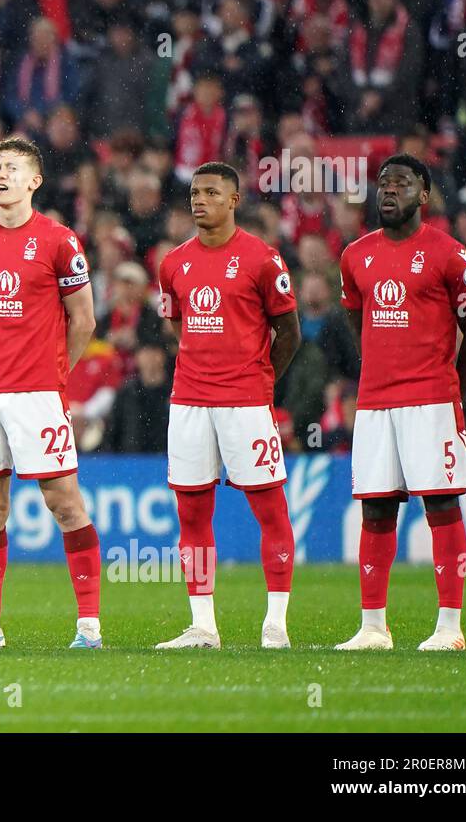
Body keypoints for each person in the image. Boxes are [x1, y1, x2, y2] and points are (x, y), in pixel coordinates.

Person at [0, 136, 103, 649]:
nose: (0, 174)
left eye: (12, 167)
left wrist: (55, 371)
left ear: (34, 181)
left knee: (64, 502)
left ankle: (89, 627)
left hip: (37, 393)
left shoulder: (59, 240)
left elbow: (83, 318)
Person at [336, 155, 466, 651]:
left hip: (431, 400)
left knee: (441, 504)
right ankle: (373, 627)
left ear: (423, 196)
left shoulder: (449, 254)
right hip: (375, 403)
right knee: (376, 510)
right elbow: (361, 326)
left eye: (401, 183)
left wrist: (450, 389)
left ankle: (449, 627)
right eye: (383, 183)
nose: (389, 190)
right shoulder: (355, 256)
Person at [154, 162, 301, 650]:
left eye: (211, 192)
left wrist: (258, 380)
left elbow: (289, 334)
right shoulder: (173, 263)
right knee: (192, 515)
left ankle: (276, 623)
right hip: (190, 401)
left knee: (270, 511)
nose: (199, 200)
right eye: (195, 193)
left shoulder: (263, 259)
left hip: (245, 404)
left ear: (234, 200)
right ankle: (203, 626)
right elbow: (179, 329)